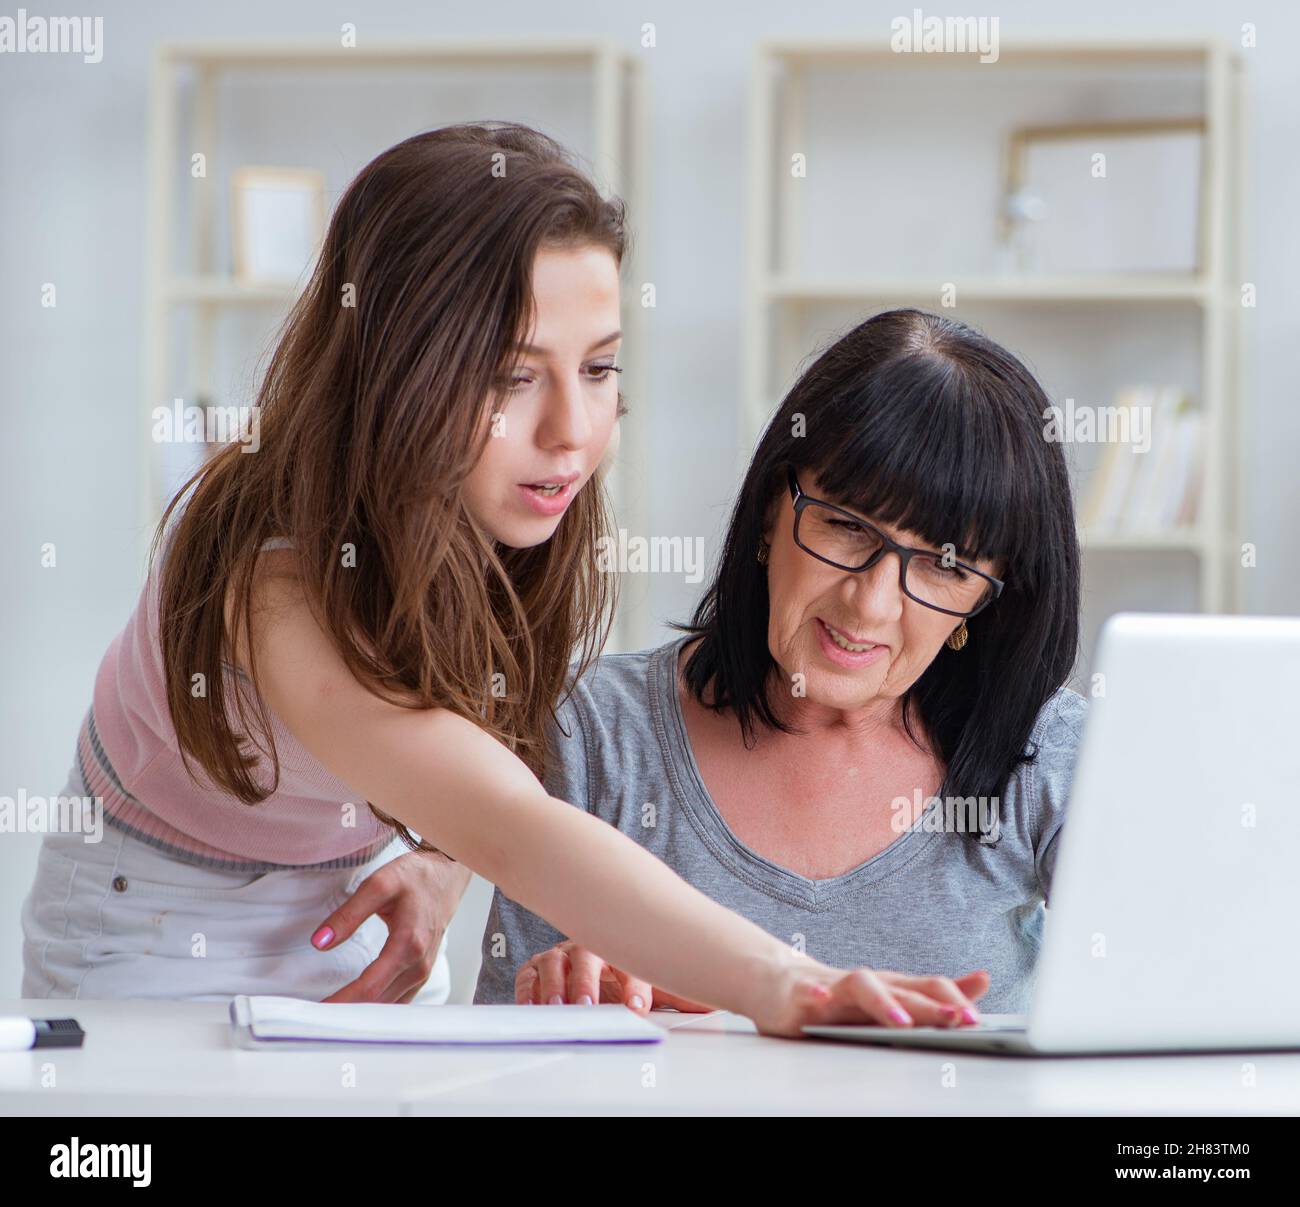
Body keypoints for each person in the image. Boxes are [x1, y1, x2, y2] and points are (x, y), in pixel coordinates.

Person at [21, 126, 984, 1035]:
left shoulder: (509, 504)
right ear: (397, 368)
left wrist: (438, 857)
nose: (573, 429)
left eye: (599, 367)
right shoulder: (273, 580)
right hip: (159, 919)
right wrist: (790, 982)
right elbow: (514, 825)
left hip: (357, 897)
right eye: (513, 376)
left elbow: (488, 755)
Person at [478, 308, 1084, 1019]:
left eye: (944, 566)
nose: (870, 603)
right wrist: (568, 1005)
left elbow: (1161, 1019)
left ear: (986, 599)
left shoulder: (1048, 755)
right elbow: (502, 1063)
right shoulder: (595, 734)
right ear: (772, 509)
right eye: (847, 527)